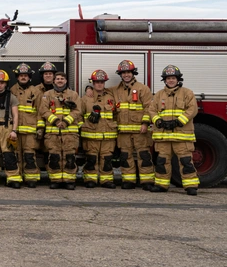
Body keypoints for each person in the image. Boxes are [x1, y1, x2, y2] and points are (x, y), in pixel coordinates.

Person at [147, 65, 200, 195]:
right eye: (168, 78)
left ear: (178, 79)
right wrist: (158, 121)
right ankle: (161, 185)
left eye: (173, 78)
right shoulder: (159, 95)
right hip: (163, 136)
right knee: (162, 161)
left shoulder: (187, 93)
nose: (171, 80)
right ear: (165, 80)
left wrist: (178, 121)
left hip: (181, 136)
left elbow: (192, 109)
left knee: (185, 161)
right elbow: (152, 110)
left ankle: (191, 186)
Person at [111, 60, 154, 190]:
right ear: (120, 74)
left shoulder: (143, 88)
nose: (126, 75)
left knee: (144, 156)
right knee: (125, 156)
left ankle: (147, 181)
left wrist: (145, 123)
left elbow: (149, 107)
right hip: (123, 131)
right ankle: (128, 181)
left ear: (133, 73)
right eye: (123, 73)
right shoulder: (116, 90)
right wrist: (89, 88)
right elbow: (100, 90)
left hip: (140, 130)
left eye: (128, 72)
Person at [39, 71, 81, 190]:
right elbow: (44, 110)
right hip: (53, 133)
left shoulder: (74, 95)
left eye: (62, 78)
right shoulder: (47, 95)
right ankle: (55, 180)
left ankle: (69, 180)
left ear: (66, 81)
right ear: (54, 81)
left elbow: (78, 111)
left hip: (70, 133)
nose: (60, 80)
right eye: (57, 79)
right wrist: (56, 121)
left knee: (69, 157)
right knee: (54, 157)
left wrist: (66, 121)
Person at [80, 70, 118, 188]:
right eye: (97, 82)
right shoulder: (86, 99)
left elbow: (117, 114)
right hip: (90, 135)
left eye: (101, 82)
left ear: (105, 82)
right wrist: (84, 126)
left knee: (107, 159)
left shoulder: (111, 97)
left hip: (108, 135)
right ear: (93, 83)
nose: (99, 84)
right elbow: (79, 116)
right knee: (91, 158)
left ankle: (106, 180)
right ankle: (90, 179)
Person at [10, 63, 42, 187]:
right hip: (15, 131)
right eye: (21, 75)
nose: (23, 77)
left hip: (30, 132)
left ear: (29, 77)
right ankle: (16, 178)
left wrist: (40, 128)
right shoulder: (12, 91)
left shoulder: (36, 92)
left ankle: (31, 178)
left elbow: (40, 111)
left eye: (25, 75)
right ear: (17, 77)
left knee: (29, 155)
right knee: (16, 155)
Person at [33, 61, 58, 179]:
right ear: (42, 76)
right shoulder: (35, 90)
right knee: (34, 152)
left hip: (52, 127)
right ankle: (33, 177)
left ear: (54, 76)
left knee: (51, 152)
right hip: (36, 126)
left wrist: (89, 88)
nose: (48, 75)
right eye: (45, 73)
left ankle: (52, 177)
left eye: (50, 73)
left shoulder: (60, 89)